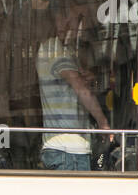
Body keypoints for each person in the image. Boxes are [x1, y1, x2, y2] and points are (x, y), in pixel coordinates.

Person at [36, 10, 112, 171]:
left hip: (62, 147)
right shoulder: (54, 50)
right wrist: (103, 122)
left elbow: (74, 83)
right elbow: (79, 87)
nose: (69, 25)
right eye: (64, 19)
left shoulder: (62, 52)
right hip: (68, 150)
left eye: (73, 20)